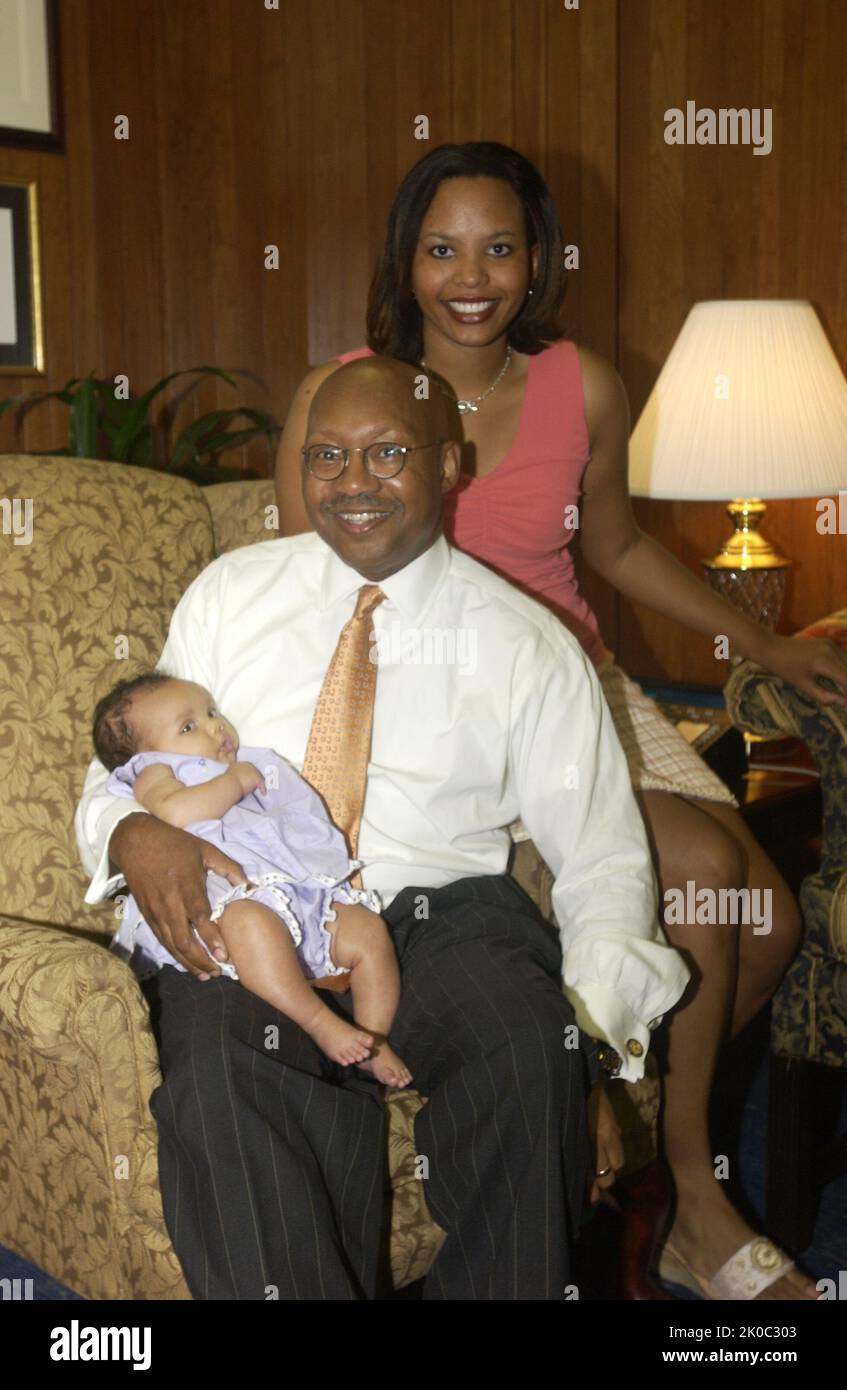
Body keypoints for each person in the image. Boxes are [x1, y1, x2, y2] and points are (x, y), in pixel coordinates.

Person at [274, 144, 847, 1300]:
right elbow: (313, 581)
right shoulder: (348, 393)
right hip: (452, 698)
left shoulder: (579, 383)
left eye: (499, 246)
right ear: (406, 261)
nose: (470, 276)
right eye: (442, 249)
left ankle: (603, 1124)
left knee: (768, 923)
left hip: (582, 680)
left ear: (538, 259)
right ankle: (690, 1198)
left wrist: (765, 643)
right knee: (689, 877)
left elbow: (615, 546)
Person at [76, 355, 689, 1301]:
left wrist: (592, 1050)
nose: (351, 483)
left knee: (527, 1047)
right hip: (253, 905)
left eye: (388, 453)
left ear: (451, 464)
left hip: (443, 910)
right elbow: (124, 768)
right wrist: (132, 836)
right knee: (222, 1084)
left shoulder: (526, 643)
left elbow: (603, 856)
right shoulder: (231, 594)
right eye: (327, 455)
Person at [91, 671, 411, 1086]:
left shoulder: (256, 763)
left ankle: (376, 1038)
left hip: (287, 896)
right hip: (224, 904)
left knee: (367, 931)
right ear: (139, 756)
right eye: (189, 726)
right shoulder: (157, 771)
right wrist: (233, 781)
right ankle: (317, 1021)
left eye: (211, 711)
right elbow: (174, 814)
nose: (214, 726)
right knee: (250, 922)